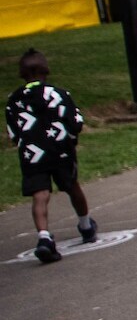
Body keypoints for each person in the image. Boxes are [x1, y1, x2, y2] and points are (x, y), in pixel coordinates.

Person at [7, 50, 95, 263]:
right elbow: (76, 121)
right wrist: (71, 137)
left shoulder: (14, 100)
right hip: (60, 150)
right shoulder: (58, 93)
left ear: (21, 73)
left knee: (40, 194)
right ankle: (85, 225)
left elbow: (13, 133)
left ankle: (44, 237)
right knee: (72, 186)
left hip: (33, 154)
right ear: (46, 70)